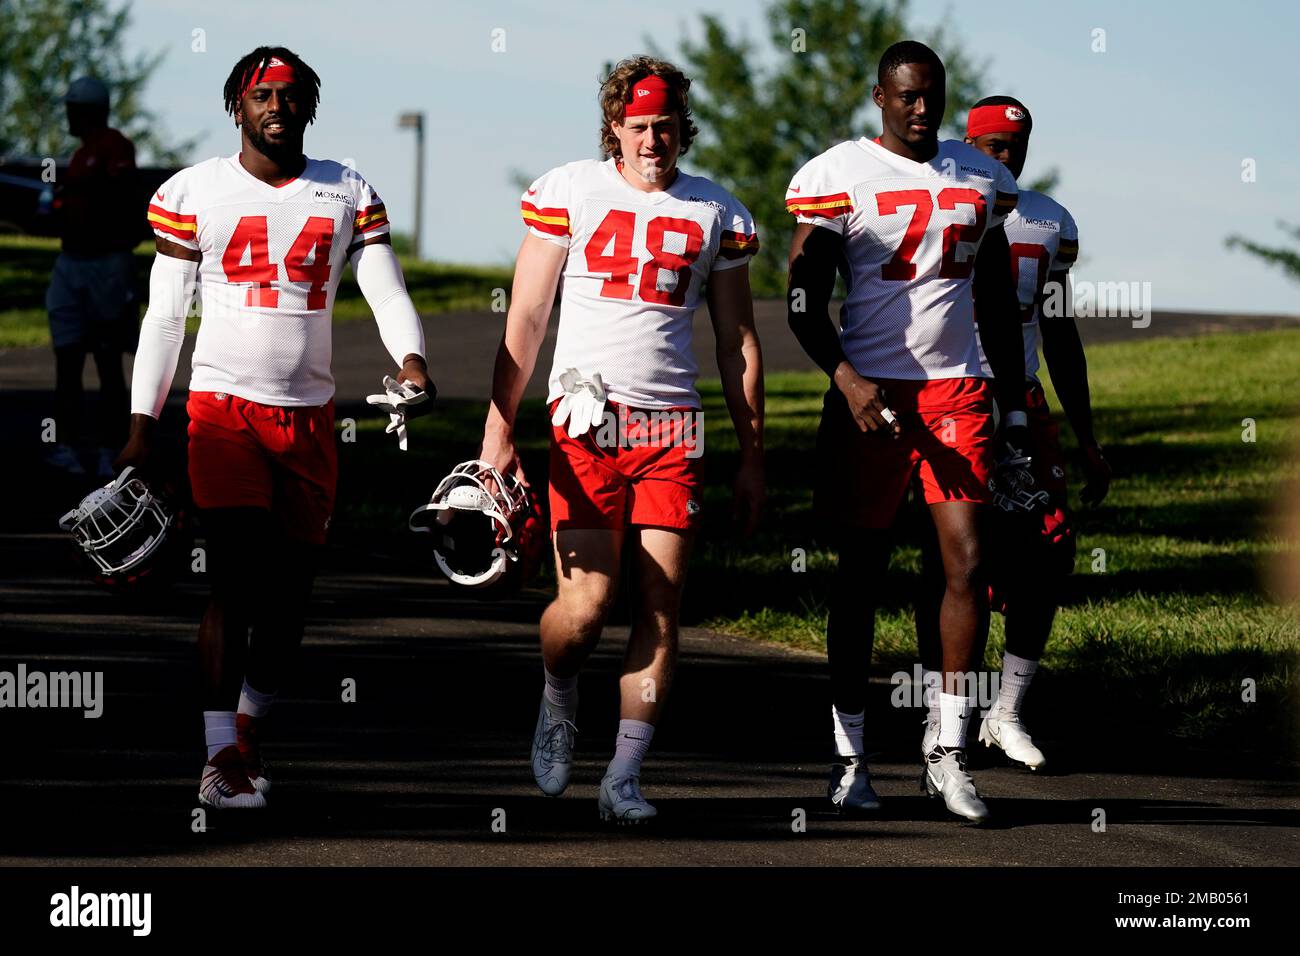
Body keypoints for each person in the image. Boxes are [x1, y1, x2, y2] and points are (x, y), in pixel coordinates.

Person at [117, 47, 432, 808]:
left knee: (288, 602)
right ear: (237, 106)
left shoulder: (345, 188)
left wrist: (414, 360)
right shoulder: (194, 191)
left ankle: (250, 728)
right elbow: (165, 319)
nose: (277, 106)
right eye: (262, 95)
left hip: (310, 419)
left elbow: (384, 290)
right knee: (235, 578)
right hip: (222, 411)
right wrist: (140, 425)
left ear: (307, 108)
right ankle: (217, 756)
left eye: (290, 96)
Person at [478, 55, 764, 824]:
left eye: (665, 126)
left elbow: (738, 339)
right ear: (614, 125)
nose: (652, 140)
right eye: (638, 125)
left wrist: (752, 457)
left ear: (683, 127)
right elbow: (528, 316)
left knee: (662, 609)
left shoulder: (717, 211)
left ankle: (624, 776)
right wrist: (498, 433)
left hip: (673, 426)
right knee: (585, 609)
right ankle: (559, 695)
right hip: (585, 424)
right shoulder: (570, 188)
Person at [785, 41, 1029, 823]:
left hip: (956, 388)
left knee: (966, 560)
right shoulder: (837, 173)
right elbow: (802, 301)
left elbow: (993, 297)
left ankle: (946, 749)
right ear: (879, 97)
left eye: (933, 95)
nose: (922, 109)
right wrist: (846, 378)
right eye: (907, 96)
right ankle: (850, 755)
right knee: (861, 573)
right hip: (872, 392)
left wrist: (1012, 397)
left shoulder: (982, 177)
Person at [915, 96, 1111, 771]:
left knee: (1049, 550)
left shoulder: (1048, 221)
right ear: (968, 145)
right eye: (991, 146)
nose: (1004, 159)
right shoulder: (940, 201)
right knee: (947, 561)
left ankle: (1008, 709)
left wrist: (1085, 435)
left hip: (1020, 397)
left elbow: (1057, 328)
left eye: (1014, 148)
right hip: (948, 396)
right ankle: (944, 714)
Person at [45, 76, 140, 479]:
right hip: (73, 262)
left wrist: (78, 201)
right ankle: (65, 445)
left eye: (72, 107)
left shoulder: (114, 148)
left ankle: (109, 448)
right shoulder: (81, 155)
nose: (67, 114)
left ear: (88, 110)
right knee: (68, 357)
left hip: (105, 266)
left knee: (105, 358)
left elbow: (117, 201)